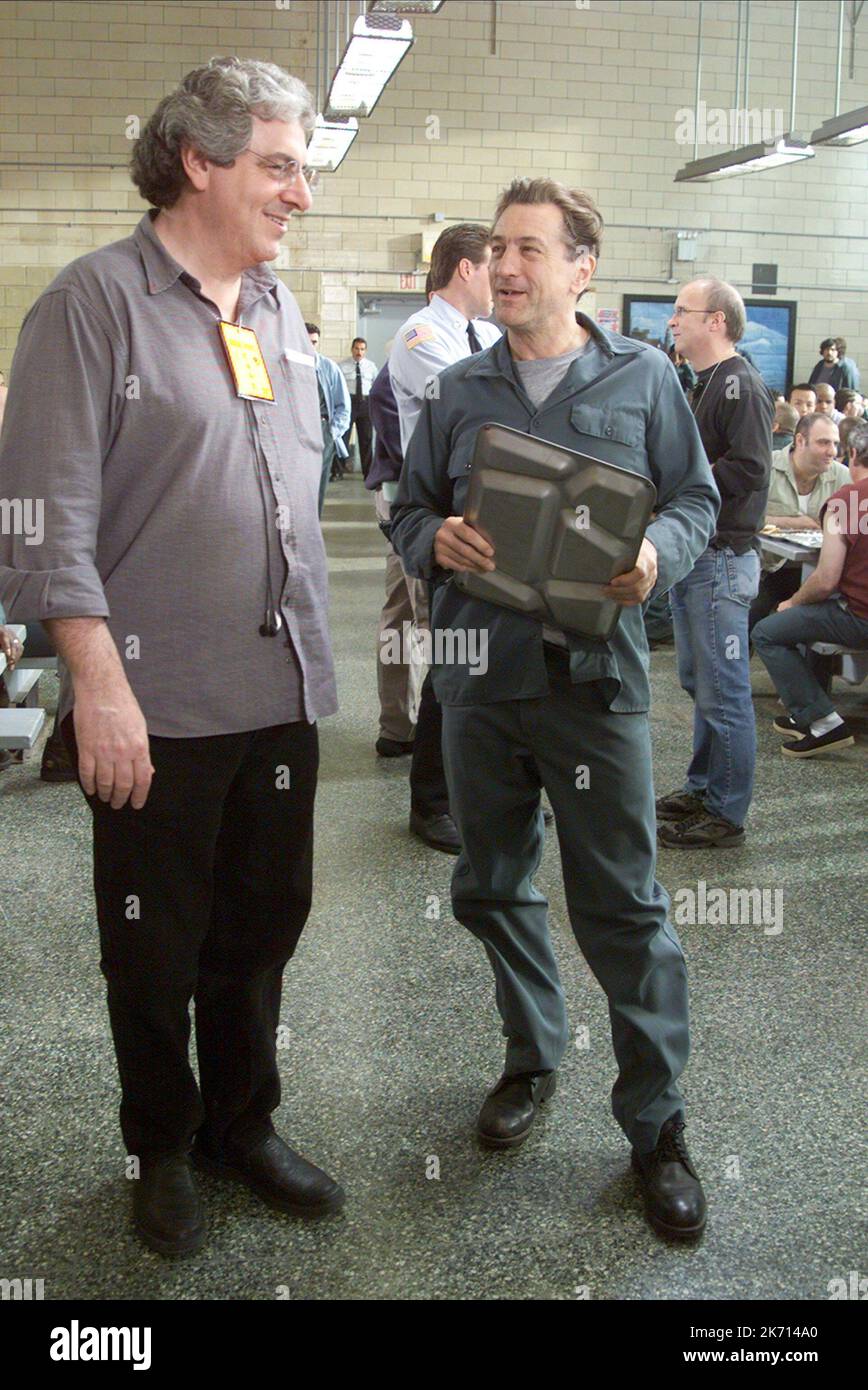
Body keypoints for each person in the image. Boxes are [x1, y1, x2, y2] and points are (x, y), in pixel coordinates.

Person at [0, 57, 344, 1257]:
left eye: (303, 168)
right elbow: (39, 515)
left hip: (279, 688)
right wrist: (97, 686)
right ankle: (161, 1144)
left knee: (262, 926)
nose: (301, 192)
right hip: (154, 700)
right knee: (155, 941)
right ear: (197, 163)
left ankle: (243, 1123)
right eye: (279, 166)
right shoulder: (92, 305)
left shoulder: (275, 312)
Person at [391, 177, 719, 1241]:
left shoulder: (644, 379)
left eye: (532, 248)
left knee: (622, 906)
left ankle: (655, 1127)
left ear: (583, 267)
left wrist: (653, 556)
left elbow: (697, 500)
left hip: (596, 689)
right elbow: (407, 505)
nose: (509, 266)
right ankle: (532, 1056)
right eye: (497, 248)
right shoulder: (455, 390)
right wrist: (432, 541)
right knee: (491, 885)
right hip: (480, 682)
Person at [388, 223, 501, 853]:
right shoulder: (422, 336)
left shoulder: (484, 334)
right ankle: (431, 801)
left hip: (496, 515)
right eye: (494, 264)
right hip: (441, 516)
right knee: (453, 662)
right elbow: (486, 405)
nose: (502, 278)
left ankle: (482, 796)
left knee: (497, 664)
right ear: (465, 268)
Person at [658, 276, 772, 849]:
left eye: (683, 311)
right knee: (700, 681)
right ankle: (704, 787)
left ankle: (725, 810)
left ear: (716, 321)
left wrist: (683, 482)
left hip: (722, 559)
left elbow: (750, 468)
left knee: (723, 690)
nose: (673, 320)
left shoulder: (740, 387)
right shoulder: (706, 382)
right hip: (699, 557)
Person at [753, 423, 868, 756]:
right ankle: (807, 710)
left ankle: (824, 723)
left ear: (853, 455)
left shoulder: (846, 500)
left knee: (768, 631)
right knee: (812, 616)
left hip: (859, 617)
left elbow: (826, 579)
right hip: (854, 610)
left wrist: (791, 601)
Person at [750, 412, 850, 630]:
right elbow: (745, 517)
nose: (832, 451)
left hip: (820, 572)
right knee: (749, 615)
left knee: (821, 621)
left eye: (835, 444)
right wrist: (793, 522)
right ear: (800, 441)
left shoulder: (842, 476)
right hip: (767, 568)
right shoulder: (766, 467)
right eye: (823, 443)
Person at [305, 322, 350, 516]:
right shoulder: (287, 365)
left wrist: (333, 432)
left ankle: (313, 524)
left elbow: (343, 406)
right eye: (305, 341)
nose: (309, 346)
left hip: (323, 430)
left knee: (319, 482)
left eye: (313, 342)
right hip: (296, 430)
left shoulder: (328, 368)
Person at [339, 337, 377, 477]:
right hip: (349, 403)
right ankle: (338, 471)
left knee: (366, 439)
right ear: (352, 349)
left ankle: (368, 473)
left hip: (365, 404)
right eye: (356, 348)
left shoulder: (371, 367)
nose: (359, 352)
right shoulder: (342, 366)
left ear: (365, 351)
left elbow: (376, 386)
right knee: (343, 437)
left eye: (362, 349)